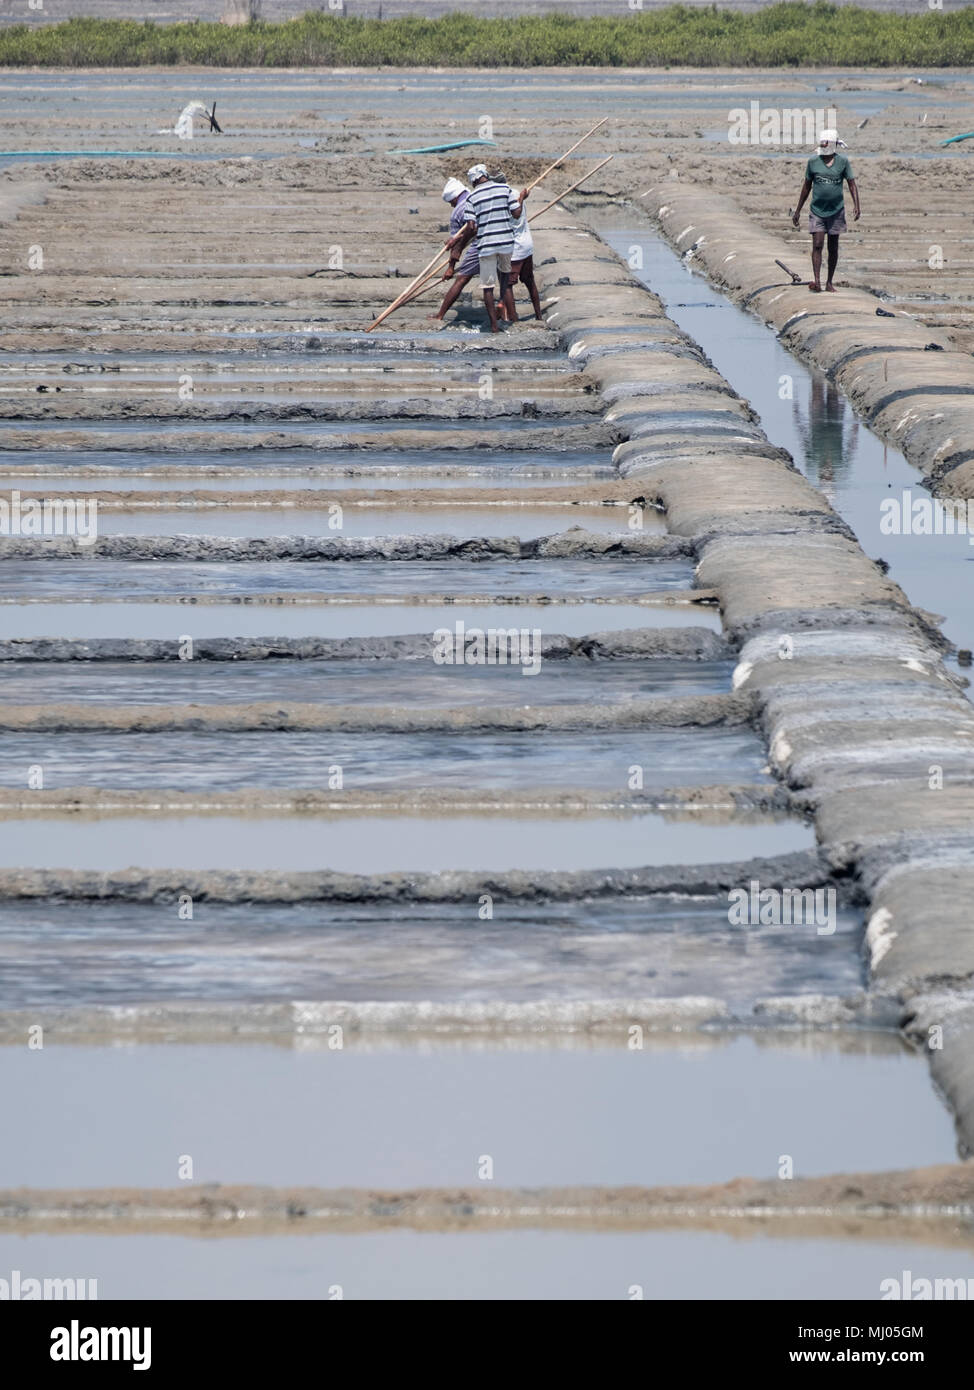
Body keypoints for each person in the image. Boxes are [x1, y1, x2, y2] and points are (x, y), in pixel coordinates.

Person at [446, 163, 528, 332]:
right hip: (506, 243)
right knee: (505, 280)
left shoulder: (471, 198)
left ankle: (493, 326)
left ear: (474, 181)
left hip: (486, 246)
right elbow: (516, 214)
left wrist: (457, 246)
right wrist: (521, 198)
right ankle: (504, 306)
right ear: (486, 175)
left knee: (488, 287)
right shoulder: (504, 189)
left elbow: (471, 227)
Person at [791, 128, 860, 293]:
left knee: (833, 247)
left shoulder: (842, 162)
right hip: (817, 210)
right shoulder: (813, 162)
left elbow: (851, 184)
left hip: (836, 211)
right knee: (817, 245)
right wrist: (798, 210)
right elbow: (806, 187)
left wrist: (857, 205)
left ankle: (829, 282)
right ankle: (817, 281)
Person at [490, 170, 542, 323]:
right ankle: (538, 316)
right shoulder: (514, 193)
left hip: (513, 249)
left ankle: (514, 320)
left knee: (506, 285)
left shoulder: (501, 198)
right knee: (529, 281)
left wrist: (521, 199)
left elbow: (516, 213)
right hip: (526, 245)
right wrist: (521, 198)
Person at [431, 177, 481, 322]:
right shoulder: (476, 198)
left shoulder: (458, 212)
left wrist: (450, 268)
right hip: (500, 240)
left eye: (451, 202)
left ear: (454, 197)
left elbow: (457, 243)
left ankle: (440, 315)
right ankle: (506, 314)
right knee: (502, 279)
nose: (452, 206)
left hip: (482, 244)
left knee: (462, 278)